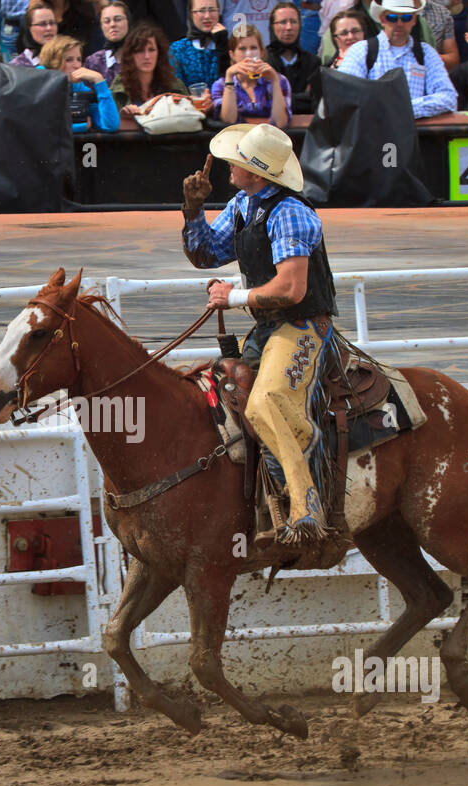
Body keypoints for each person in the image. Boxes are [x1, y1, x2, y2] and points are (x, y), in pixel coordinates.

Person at [181, 123, 340, 546]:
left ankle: (305, 505)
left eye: (237, 161)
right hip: (269, 326)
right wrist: (193, 211)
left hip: (302, 326)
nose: (229, 166)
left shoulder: (290, 212)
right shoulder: (243, 204)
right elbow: (208, 254)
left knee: (267, 400)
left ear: (254, 171)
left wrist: (233, 297)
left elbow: (291, 289)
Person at [338, 0, 458, 117]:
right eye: (392, 17)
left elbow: (448, 97)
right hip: (373, 134)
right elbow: (345, 95)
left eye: (406, 18)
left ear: (414, 20)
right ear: (382, 19)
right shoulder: (361, 51)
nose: (399, 24)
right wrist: (407, 109)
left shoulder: (426, 53)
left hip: (415, 135)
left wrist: (395, 109)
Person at [214, 22, 292, 125]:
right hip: (237, 139)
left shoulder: (280, 80)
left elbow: (280, 123)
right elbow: (228, 121)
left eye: (253, 48)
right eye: (242, 49)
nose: (249, 54)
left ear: (262, 52)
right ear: (232, 55)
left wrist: (274, 81)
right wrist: (229, 77)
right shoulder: (221, 84)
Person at [39, 33, 118, 130]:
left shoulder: (77, 87)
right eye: (69, 60)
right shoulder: (38, 81)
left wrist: (100, 81)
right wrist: (81, 127)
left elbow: (110, 125)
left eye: (79, 59)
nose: (77, 65)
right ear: (53, 62)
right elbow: (39, 126)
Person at [111, 21, 193, 112]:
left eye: (151, 50)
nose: (147, 56)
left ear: (159, 53)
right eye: (140, 50)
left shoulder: (175, 86)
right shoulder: (118, 89)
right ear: (131, 54)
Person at [267, 1, 322, 112]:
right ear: (272, 26)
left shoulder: (313, 62)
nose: (289, 27)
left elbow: (314, 102)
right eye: (283, 22)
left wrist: (280, 97)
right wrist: (302, 97)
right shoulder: (263, 61)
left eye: (293, 22)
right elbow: (265, 101)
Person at [170, 0, 229, 92]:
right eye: (202, 10)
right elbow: (175, 88)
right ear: (191, 14)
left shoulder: (230, 46)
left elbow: (234, 83)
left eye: (212, 10)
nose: (207, 16)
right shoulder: (178, 49)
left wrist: (223, 47)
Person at [85, 0, 128, 83]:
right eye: (106, 21)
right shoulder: (93, 62)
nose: (112, 24)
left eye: (118, 19)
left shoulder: (141, 56)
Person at [8, 1, 57, 67]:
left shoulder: (67, 57)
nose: (49, 28)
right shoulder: (17, 66)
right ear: (29, 28)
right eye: (42, 24)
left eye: (52, 23)